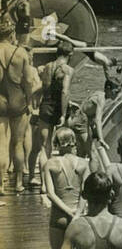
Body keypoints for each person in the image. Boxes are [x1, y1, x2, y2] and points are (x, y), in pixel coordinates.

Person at [0, 14, 42, 194]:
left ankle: (0, 184)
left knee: (1, 143)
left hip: (0, 100)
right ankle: (18, 183)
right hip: (18, 101)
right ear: (12, 35)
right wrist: (30, 102)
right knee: (17, 143)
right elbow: (28, 82)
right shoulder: (21, 53)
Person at [29, 39, 75, 191]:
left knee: (45, 147)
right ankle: (68, 179)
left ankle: (44, 185)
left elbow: (43, 87)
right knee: (67, 144)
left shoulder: (47, 67)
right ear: (70, 53)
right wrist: (63, 114)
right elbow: (65, 91)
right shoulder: (68, 70)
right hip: (58, 107)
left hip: (45, 106)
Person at [42, 127, 88, 249]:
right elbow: (85, 193)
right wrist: (77, 213)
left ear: (56, 143)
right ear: (74, 141)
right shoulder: (83, 164)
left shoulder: (50, 164)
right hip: (80, 216)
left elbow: (50, 194)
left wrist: (67, 212)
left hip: (59, 216)